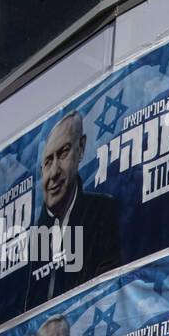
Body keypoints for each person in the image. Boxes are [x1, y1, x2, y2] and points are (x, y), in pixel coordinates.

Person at [28, 112, 122, 306]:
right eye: (47, 162)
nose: (54, 172)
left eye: (63, 153)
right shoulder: (32, 241)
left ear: (80, 149)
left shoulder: (105, 212)